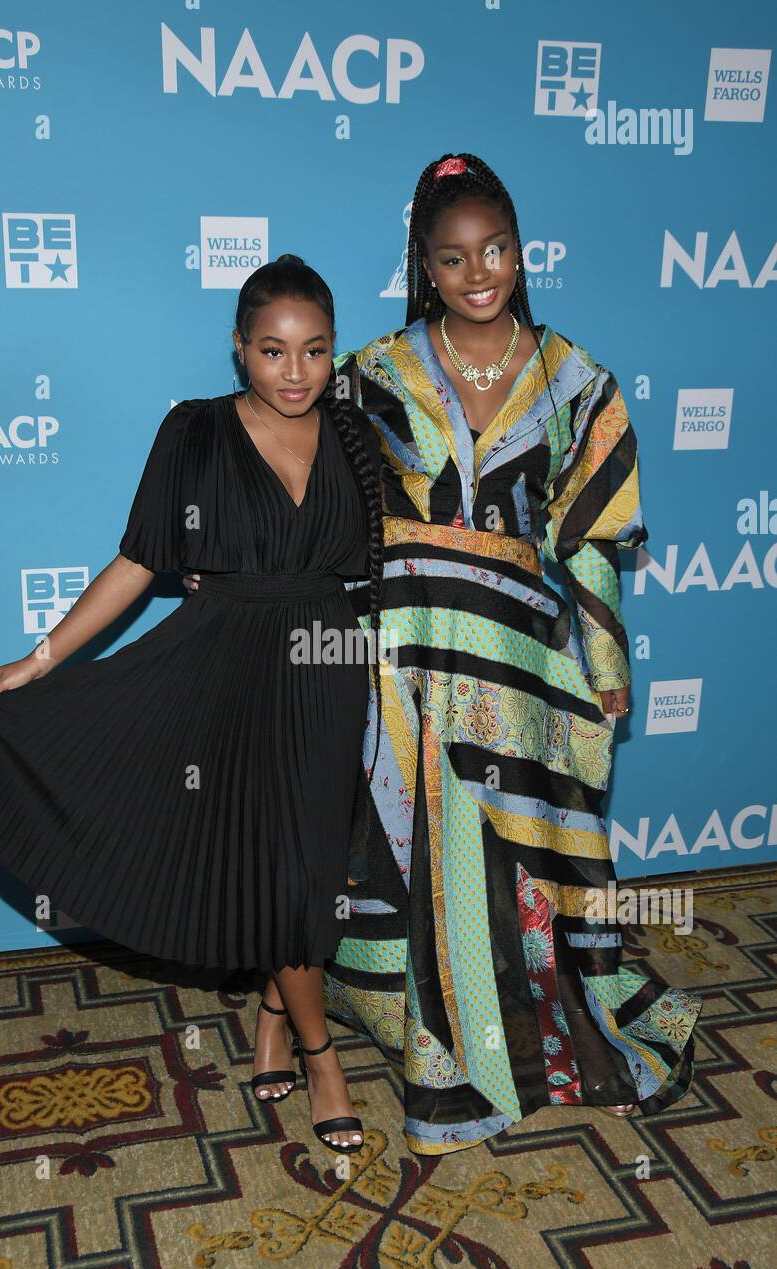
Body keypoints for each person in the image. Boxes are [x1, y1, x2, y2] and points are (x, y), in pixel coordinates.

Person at [199, 154, 705, 1157]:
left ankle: (531, 1031)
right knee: (410, 851)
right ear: (423, 265)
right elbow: (315, 507)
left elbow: (594, 538)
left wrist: (605, 672)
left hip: (521, 660)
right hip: (398, 654)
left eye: (496, 249)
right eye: (453, 255)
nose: (479, 271)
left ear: (518, 252)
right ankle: (427, 1045)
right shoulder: (369, 374)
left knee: (519, 850)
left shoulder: (576, 381)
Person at [0, 254, 386, 1153]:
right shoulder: (192, 432)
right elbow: (141, 560)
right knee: (273, 865)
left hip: (327, 662)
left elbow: (391, 556)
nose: (295, 372)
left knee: (308, 868)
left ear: (335, 350)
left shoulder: (356, 434)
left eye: (314, 350)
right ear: (239, 350)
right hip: (222, 665)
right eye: (273, 351)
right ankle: (321, 1054)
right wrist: (40, 660)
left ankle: (273, 1012)